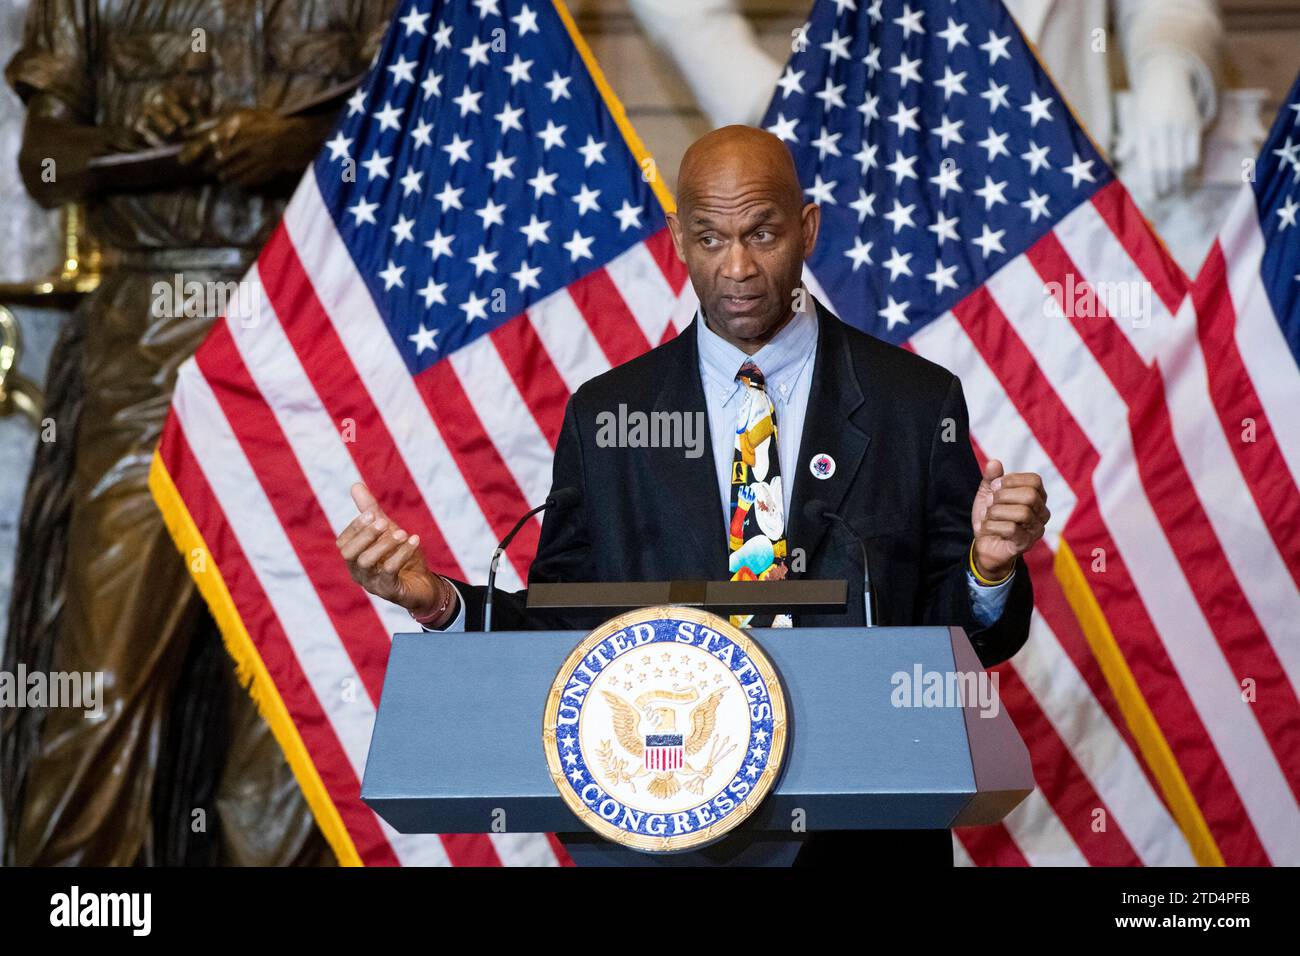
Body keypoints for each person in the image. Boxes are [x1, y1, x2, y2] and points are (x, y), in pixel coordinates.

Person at [338, 125, 1049, 866]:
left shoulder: (914, 401)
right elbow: (565, 638)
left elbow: (964, 644)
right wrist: (440, 604)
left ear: (806, 228)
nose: (736, 267)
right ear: (677, 238)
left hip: (860, 844)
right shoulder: (607, 414)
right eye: (710, 239)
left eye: (762, 233)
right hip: (666, 836)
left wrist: (987, 568)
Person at [3, 0, 395, 865]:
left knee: (302, 670)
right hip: (147, 329)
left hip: (320, 317)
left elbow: (427, 134)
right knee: (103, 666)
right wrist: (131, 145)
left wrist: (300, 149)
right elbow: (45, 164)